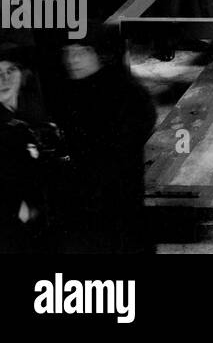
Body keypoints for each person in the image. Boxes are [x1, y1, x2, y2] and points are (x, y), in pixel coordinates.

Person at [53, 25, 157, 254]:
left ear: (100, 55)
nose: (73, 59)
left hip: (114, 201)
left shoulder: (127, 94)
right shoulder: (72, 90)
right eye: (68, 52)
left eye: (82, 52)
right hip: (87, 203)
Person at [0, 37, 66, 252]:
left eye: (11, 70)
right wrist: (18, 210)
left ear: (22, 76)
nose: (5, 78)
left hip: (42, 228)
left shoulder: (34, 119)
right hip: (5, 234)